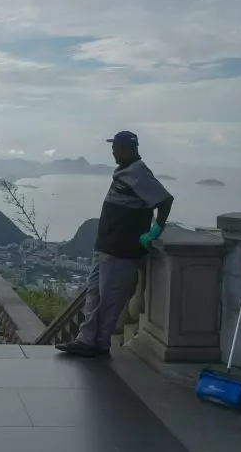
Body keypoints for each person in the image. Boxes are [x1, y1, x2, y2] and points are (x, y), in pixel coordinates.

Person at [56, 131, 173, 357]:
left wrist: (155, 230)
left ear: (129, 148)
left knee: (109, 299)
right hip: (106, 245)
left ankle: (96, 343)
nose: (113, 151)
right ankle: (89, 340)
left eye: (116, 147)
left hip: (121, 248)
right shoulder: (123, 171)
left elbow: (165, 200)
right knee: (94, 295)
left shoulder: (139, 171)